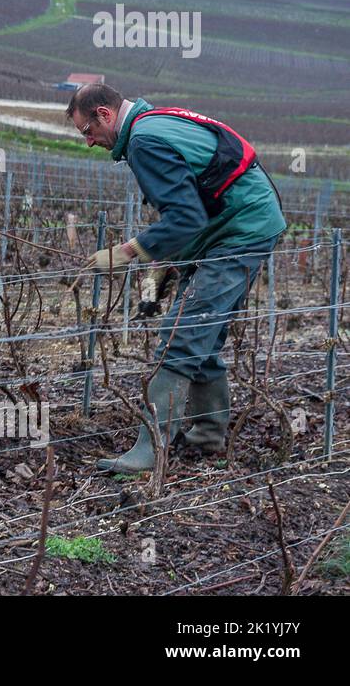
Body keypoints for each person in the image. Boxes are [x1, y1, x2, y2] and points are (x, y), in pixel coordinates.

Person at [66, 84, 286, 472]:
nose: (89, 142)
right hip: (236, 223)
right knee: (201, 332)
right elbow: (194, 206)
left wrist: (127, 252)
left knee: (180, 335)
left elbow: (186, 218)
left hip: (240, 230)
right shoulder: (157, 123)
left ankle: (150, 450)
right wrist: (164, 269)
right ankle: (207, 436)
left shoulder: (144, 142)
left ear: (104, 114)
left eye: (87, 131)